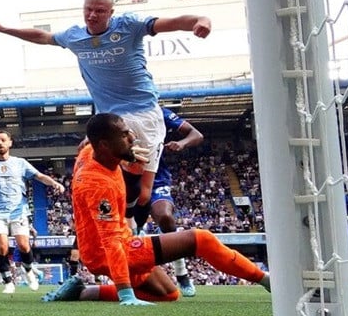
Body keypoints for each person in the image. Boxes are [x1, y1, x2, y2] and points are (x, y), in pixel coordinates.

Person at [0, 0, 212, 228]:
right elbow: (43, 36)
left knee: (143, 194)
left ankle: (133, 228)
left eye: (99, 11)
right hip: (110, 120)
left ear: (111, 13)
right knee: (97, 167)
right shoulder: (74, 36)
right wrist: (4, 29)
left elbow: (171, 22)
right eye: (88, 9)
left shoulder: (129, 26)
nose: (92, 15)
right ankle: (118, 229)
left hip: (144, 115)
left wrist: (198, 20)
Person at [42, 113, 269, 305]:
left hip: (112, 243)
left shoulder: (91, 152)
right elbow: (111, 243)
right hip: (111, 251)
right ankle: (266, 281)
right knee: (200, 239)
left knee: (168, 294)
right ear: (104, 145)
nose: (132, 137)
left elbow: (88, 145)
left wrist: (125, 155)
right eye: (124, 135)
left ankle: (80, 293)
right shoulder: (97, 185)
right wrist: (125, 294)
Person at [0, 129, 66, 294]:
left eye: (3, 140)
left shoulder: (20, 163)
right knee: (2, 247)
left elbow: (39, 176)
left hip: (19, 210)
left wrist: (54, 183)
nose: (0, 143)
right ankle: (8, 282)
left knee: (23, 245)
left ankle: (28, 270)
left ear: (10, 143)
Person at [127, 107, 204, 297]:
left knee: (165, 217)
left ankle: (182, 273)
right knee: (130, 230)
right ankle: (135, 278)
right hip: (127, 180)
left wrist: (182, 143)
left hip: (156, 179)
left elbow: (196, 134)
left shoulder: (159, 112)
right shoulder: (118, 111)